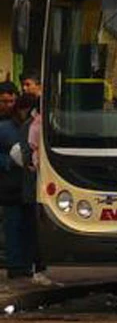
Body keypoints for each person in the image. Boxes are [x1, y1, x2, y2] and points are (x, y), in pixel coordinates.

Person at [0, 93, 53, 286]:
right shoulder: (8, 129)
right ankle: (17, 266)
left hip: (29, 187)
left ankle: (29, 264)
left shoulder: (36, 126)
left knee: (30, 228)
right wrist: (9, 162)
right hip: (12, 187)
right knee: (14, 227)